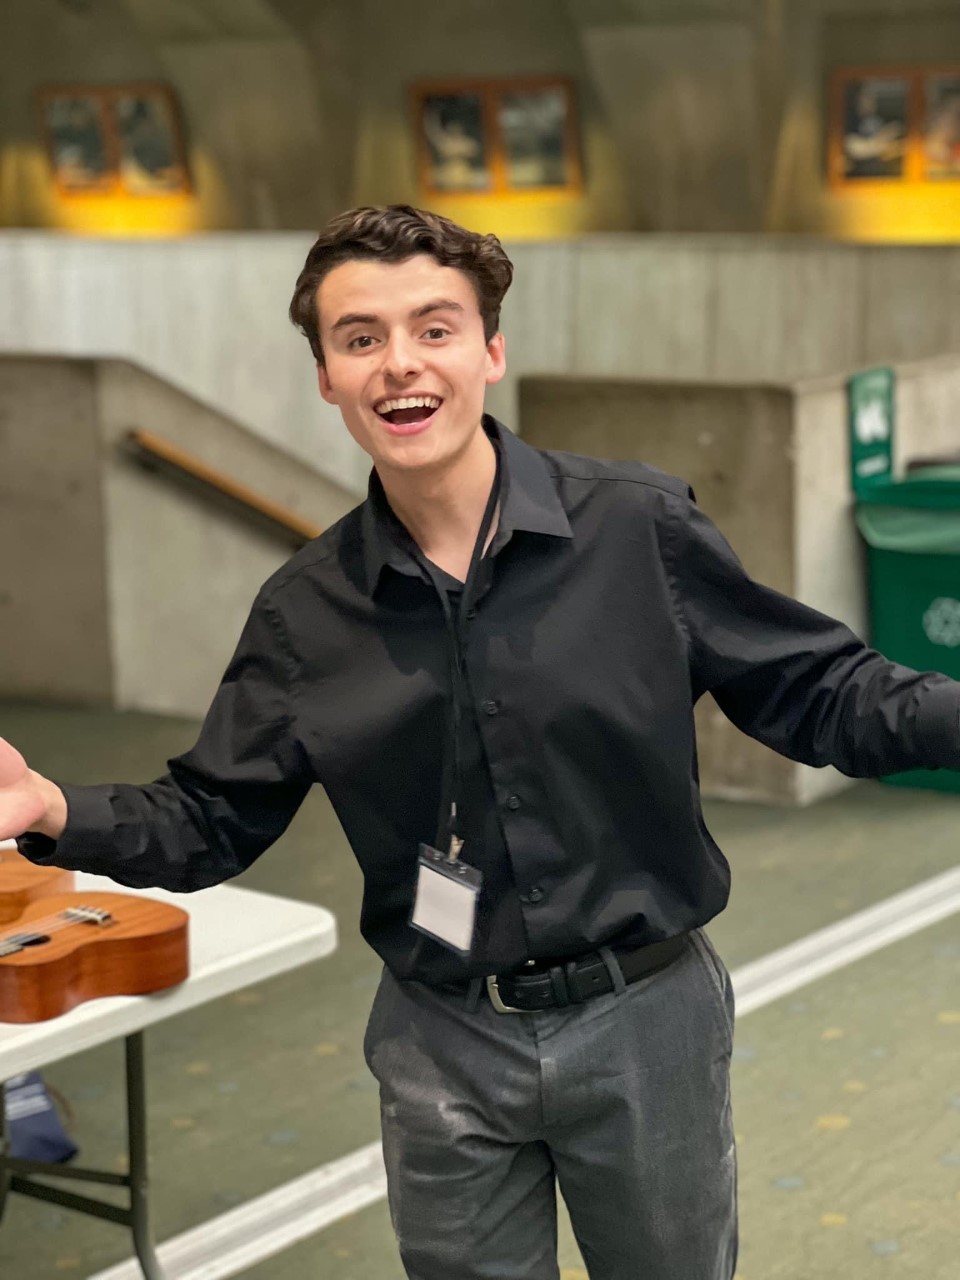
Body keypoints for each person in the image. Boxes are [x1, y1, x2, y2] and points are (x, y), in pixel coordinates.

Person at [5, 204, 960, 1280]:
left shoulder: (637, 529)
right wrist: (49, 807)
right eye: (359, 337)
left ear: (491, 351)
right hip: (440, 1036)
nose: (399, 363)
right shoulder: (303, 615)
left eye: (435, 327)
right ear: (324, 373)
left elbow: (823, 690)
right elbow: (210, 815)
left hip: (646, 1018)